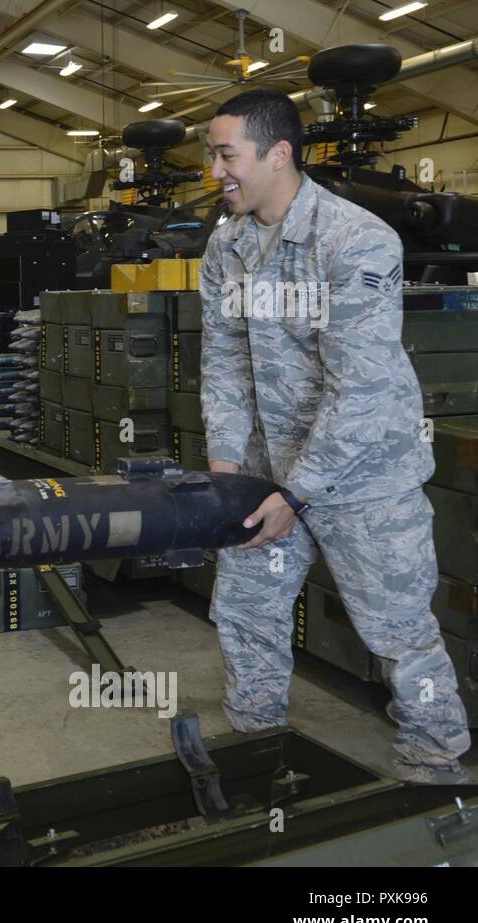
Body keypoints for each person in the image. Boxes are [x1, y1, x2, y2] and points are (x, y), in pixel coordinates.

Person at [200, 88, 470, 783]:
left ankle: (438, 770)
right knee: (246, 612)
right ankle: (258, 753)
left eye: (226, 154)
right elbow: (225, 359)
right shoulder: (226, 245)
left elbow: (360, 387)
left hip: (363, 477)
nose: (214, 171)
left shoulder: (357, 240)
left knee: (399, 636)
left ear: (278, 153)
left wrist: (297, 488)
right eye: (211, 155)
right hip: (265, 474)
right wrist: (228, 470)